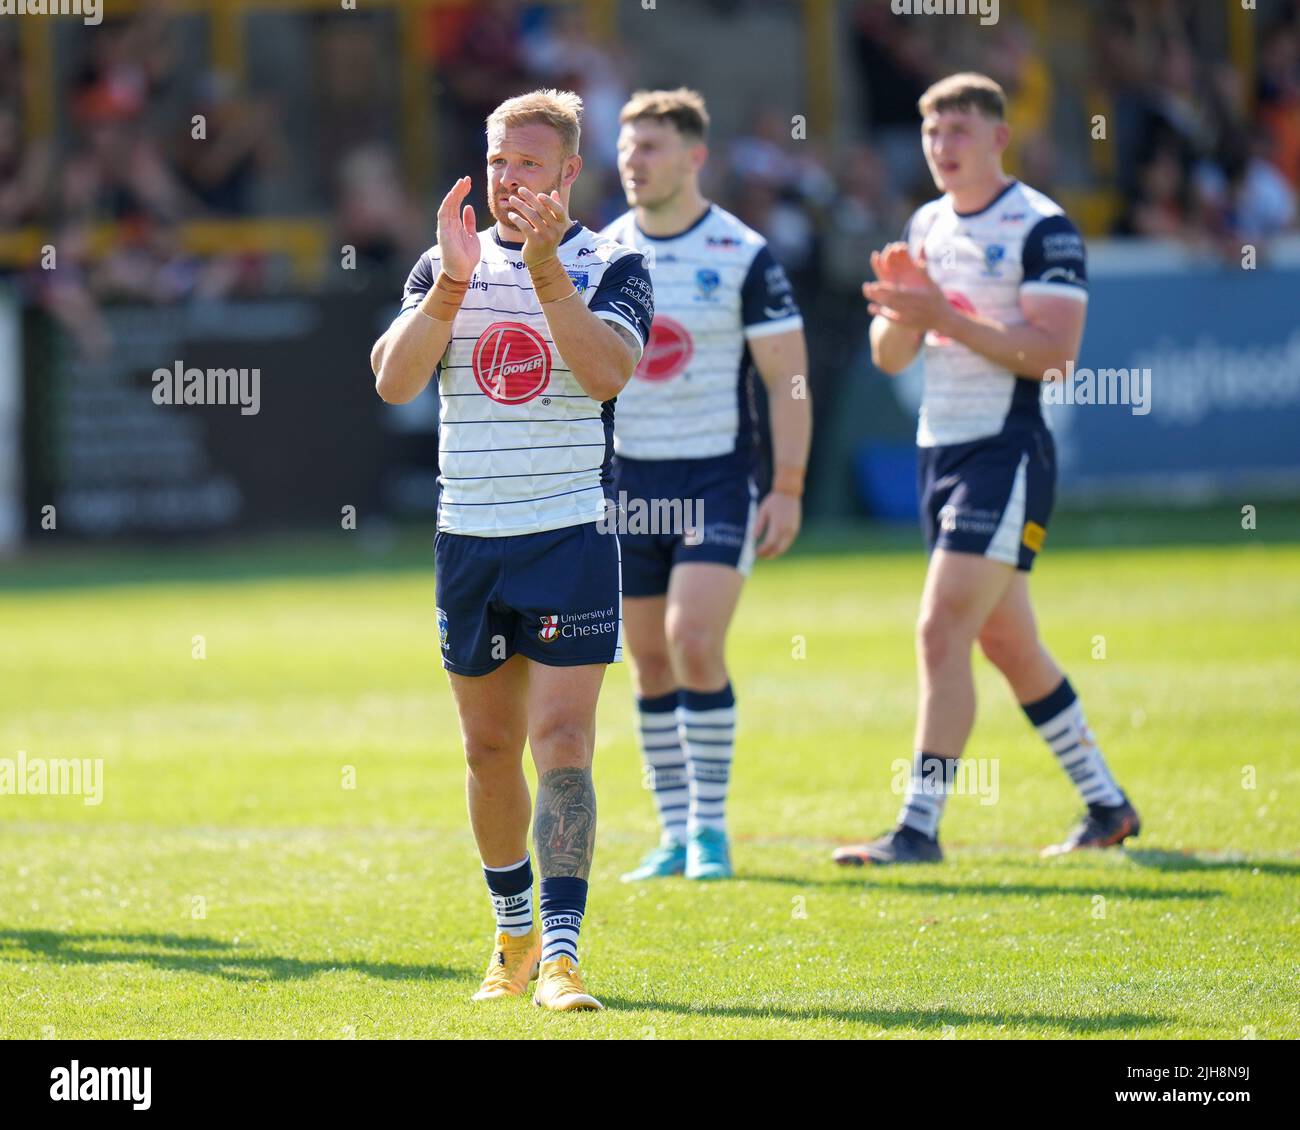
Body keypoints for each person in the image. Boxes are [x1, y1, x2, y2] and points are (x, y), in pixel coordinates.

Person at [370, 89, 653, 1008]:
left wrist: (544, 275)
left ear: (570, 172)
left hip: (568, 533)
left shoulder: (612, 261)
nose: (508, 179)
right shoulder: (444, 262)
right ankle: (514, 934)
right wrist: (452, 282)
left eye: (527, 164)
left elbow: (608, 371)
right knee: (488, 750)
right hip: (471, 540)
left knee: (562, 740)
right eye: (497, 161)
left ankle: (564, 955)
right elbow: (393, 381)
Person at [835, 73, 1139, 866]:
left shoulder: (1042, 227)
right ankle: (1108, 805)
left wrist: (944, 316)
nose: (942, 147)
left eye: (960, 131)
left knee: (941, 632)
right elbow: (890, 352)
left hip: (1007, 451)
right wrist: (906, 311)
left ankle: (918, 828)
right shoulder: (927, 223)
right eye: (933, 133)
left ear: (1000, 138)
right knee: (1009, 646)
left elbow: (1054, 357)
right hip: (941, 447)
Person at [601, 89, 811, 881]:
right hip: (628, 483)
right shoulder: (604, 250)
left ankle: (712, 832)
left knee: (695, 642)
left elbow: (788, 380)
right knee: (649, 660)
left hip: (718, 477)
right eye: (626, 148)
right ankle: (672, 833)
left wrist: (787, 484)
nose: (633, 161)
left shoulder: (742, 253)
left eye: (650, 147)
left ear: (695, 157)